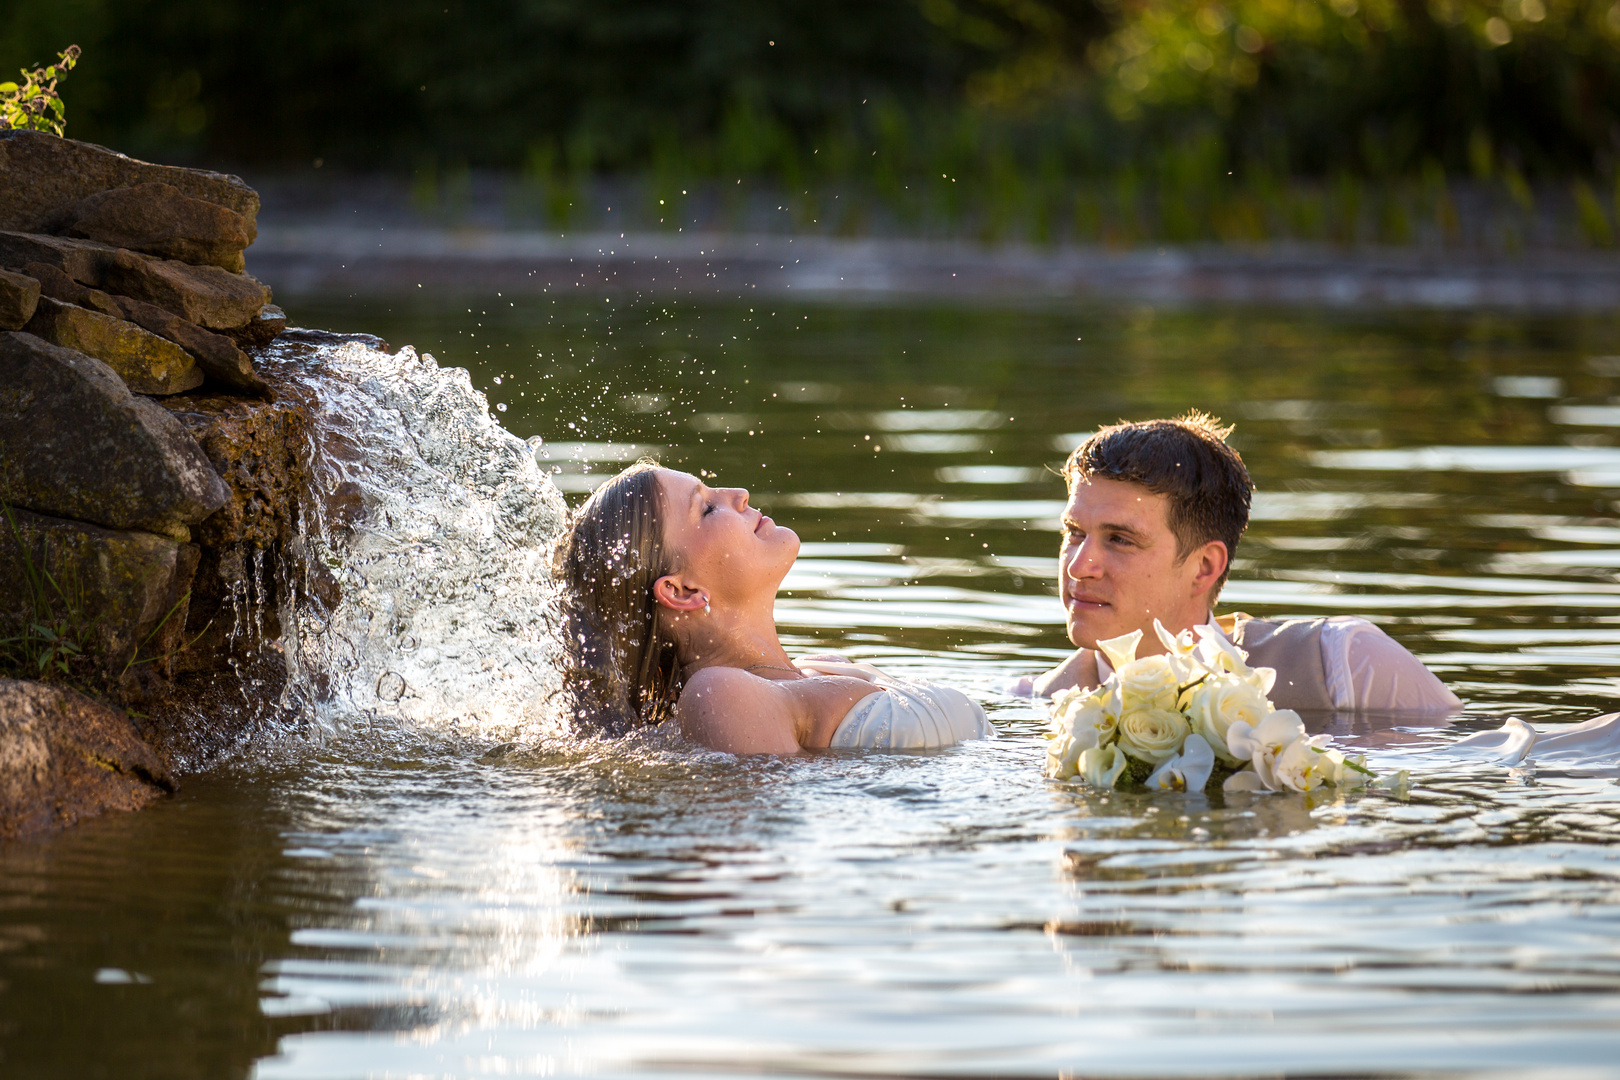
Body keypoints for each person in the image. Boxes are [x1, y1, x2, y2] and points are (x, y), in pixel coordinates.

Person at [1011, 412, 1462, 713]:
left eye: (1120, 539)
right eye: (1074, 534)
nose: (1079, 566)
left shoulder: (1345, 667)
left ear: (1205, 567)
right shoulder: (1032, 706)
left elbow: (1466, 777)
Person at [555, 460, 992, 753]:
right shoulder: (718, 694)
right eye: (706, 509)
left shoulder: (824, 666)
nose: (739, 494)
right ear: (682, 591)